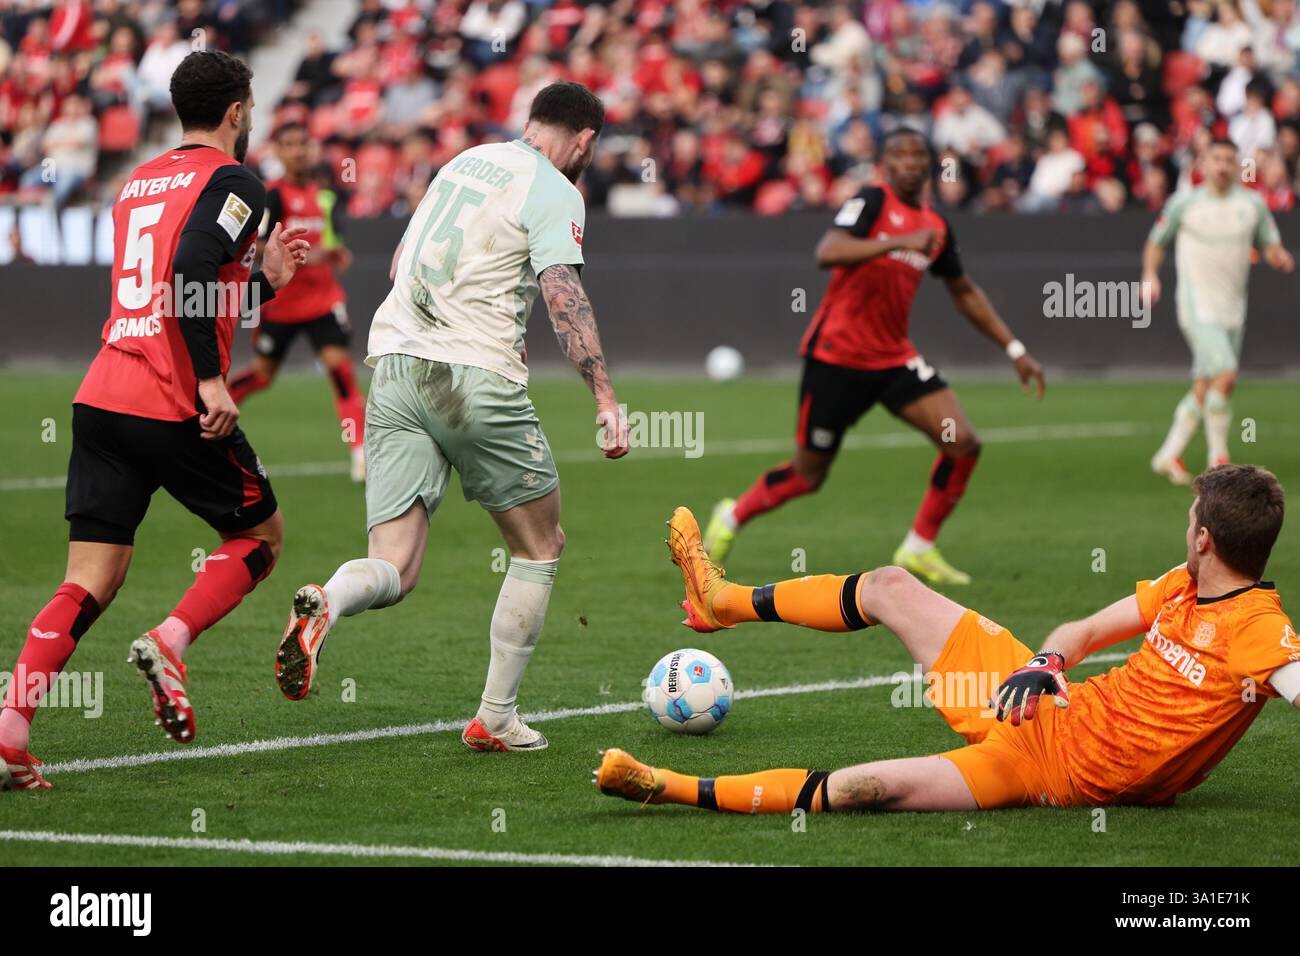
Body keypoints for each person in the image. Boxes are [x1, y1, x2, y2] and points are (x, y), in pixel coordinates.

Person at [599, 465, 1297, 813]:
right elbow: (1084, 630)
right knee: (891, 586)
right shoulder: (1184, 580)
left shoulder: (1259, 629)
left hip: (1047, 775)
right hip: (1043, 705)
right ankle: (720, 602)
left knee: (867, 788)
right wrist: (1048, 662)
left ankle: (663, 783)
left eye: (1189, 518)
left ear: (1206, 536)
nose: (1185, 528)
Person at [276, 81, 629, 753]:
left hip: (397, 366)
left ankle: (329, 599)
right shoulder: (557, 188)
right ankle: (495, 716)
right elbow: (562, 291)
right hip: (475, 377)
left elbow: (404, 267)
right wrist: (605, 397)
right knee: (538, 546)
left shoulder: (464, 162)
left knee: (394, 566)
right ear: (584, 140)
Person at [1, 50, 309, 790]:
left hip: (103, 393)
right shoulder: (237, 182)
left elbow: (169, 288)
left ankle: (10, 728)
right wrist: (210, 379)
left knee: (90, 578)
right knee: (260, 537)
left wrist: (259, 282)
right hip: (170, 398)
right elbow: (191, 268)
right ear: (238, 110)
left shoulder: (138, 180)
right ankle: (171, 641)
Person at [703, 128, 1045, 586]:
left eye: (917, 156)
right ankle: (733, 515)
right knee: (808, 476)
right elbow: (828, 251)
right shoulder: (871, 202)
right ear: (886, 164)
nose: (909, 163)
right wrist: (895, 244)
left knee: (963, 442)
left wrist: (1015, 349)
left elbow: (963, 290)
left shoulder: (937, 228)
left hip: (892, 360)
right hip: (836, 358)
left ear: (929, 166)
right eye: (899, 156)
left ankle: (918, 547)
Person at [1144, 137, 1293, 484]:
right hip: (1197, 305)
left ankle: (1167, 454)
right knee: (1226, 373)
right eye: (1217, 159)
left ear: (1237, 164)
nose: (1224, 166)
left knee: (1206, 383)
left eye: (1230, 159)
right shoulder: (1185, 203)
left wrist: (1278, 257)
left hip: (1232, 309)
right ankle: (1218, 460)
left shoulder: (1252, 204)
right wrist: (1149, 275)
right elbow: (1155, 242)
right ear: (1204, 163)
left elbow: (1270, 244)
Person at [227, 121, 367, 482]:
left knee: (340, 371)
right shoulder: (271, 196)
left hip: (323, 300)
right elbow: (253, 246)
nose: (298, 151)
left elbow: (330, 240)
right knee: (261, 376)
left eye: (303, 143)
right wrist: (287, 252)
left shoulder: (326, 194)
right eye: (289, 144)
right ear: (279, 152)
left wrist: (335, 252)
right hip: (282, 304)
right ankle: (211, 415)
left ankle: (361, 452)